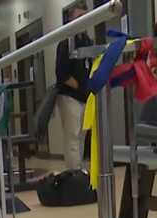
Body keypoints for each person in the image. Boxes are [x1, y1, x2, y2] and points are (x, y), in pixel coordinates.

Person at [55, 6, 93, 171]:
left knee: (82, 136)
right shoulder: (65, 43)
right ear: (71, 20)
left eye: (85, 15)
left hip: (85, 97)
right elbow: (62, 74)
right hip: (70, 96)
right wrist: (81, 87)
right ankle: (73, 172)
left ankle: (80, 171)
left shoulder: (87, 41)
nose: (83, 19)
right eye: (79, 16)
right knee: (72, 137)